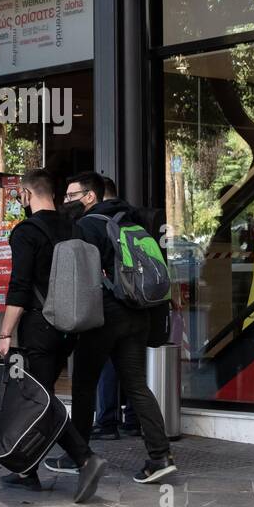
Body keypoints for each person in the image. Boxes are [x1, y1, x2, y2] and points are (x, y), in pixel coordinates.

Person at [47, 171, 178, 484]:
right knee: (136, 385)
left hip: (105, 316)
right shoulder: (131, 222)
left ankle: (78, 456)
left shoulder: (88, 226)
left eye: (71, 195)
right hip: (137, 313)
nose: (66, 202)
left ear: (90, 196)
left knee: (83, 383)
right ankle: (160, 456)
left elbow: (81, 279)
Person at [0, 168, 107, 502]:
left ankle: (85, 458)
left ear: (27, 195)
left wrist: (4, 334)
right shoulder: (73, 227)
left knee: (39, 398)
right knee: (40, 393)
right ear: (54, 195)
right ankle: (27, 470)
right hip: (70, 325)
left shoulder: (26, 232)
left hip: (39, 325)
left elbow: (19, 287)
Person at [89, 177, 140, 440]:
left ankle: (106, 421)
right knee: (132, 366)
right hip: (137, 302)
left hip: (109, 303)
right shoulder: (136, 218)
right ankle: (133, 420)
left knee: (106, 363)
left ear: (96, 195)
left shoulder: (95, 222)